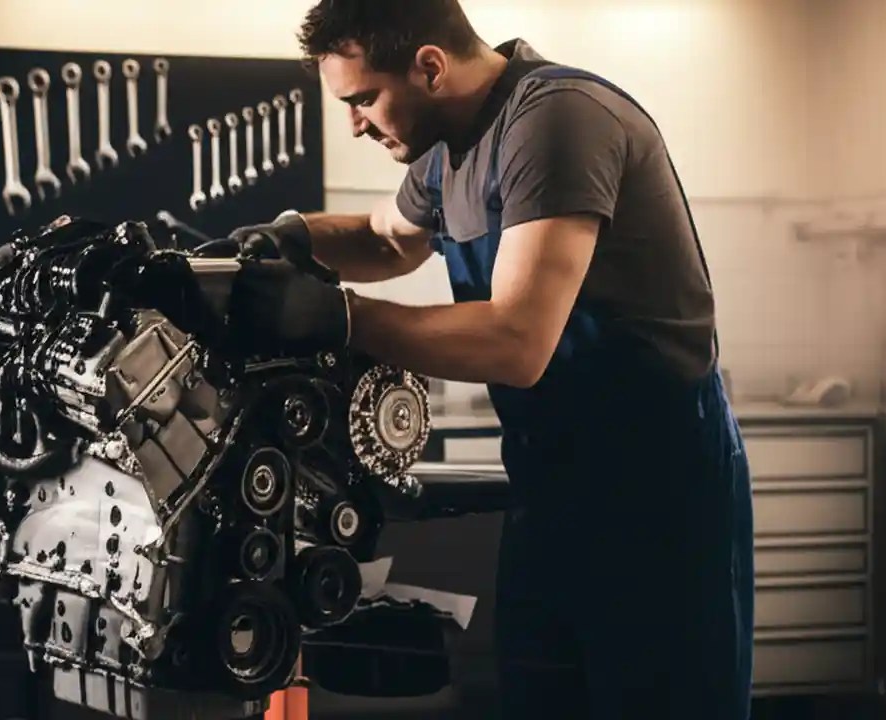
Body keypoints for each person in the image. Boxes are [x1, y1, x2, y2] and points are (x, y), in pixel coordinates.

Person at [224, 1, 755, 717]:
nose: (355, 123)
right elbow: (387, 239)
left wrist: (341, 317)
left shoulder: (556, 119)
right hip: (552, 475)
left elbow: (516, 340)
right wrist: (286, 239)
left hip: (656, 483)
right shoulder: (447, 151)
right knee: (546, 696)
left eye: (364, 99)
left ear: (430, 67)